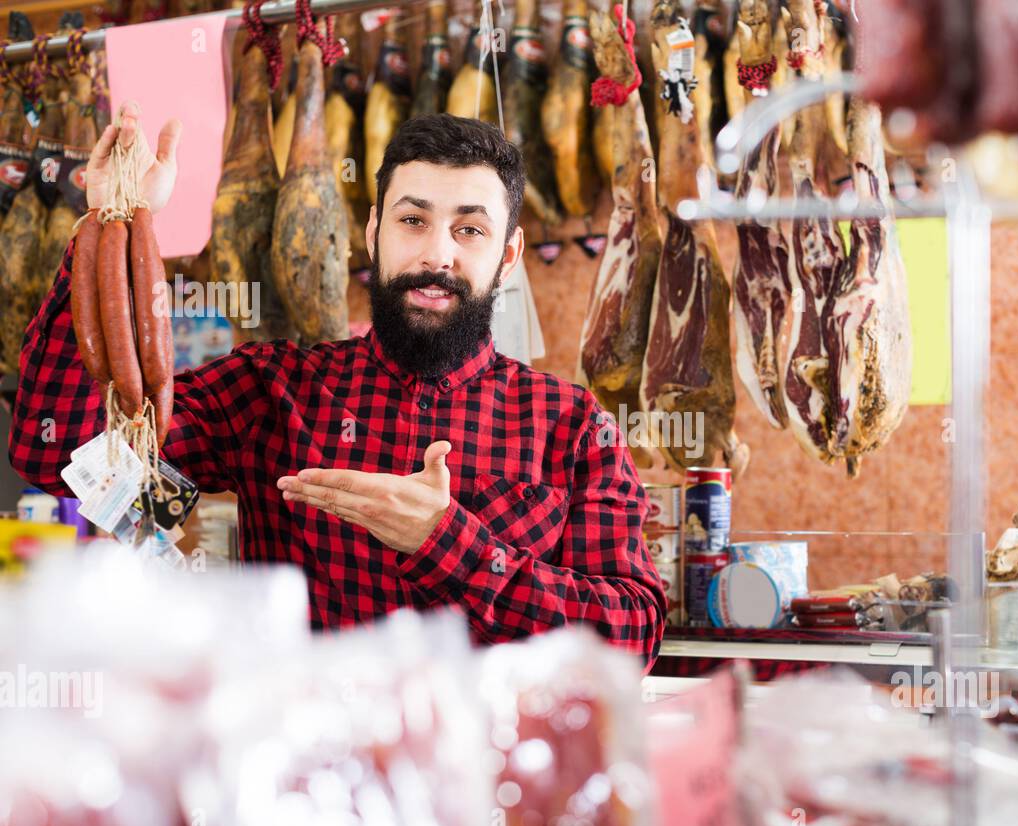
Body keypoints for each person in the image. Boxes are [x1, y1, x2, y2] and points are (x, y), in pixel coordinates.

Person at [8, 103, 666, 668]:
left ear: (509, 255)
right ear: (374, 231)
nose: (438, 252)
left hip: (490, 798)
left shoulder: (571, 425)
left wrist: (450, 544)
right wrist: (111, 230)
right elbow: (62, 454)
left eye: (470, 229)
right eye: (413, 221)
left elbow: (632, 635)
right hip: (311, 797)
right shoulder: (272, 390)